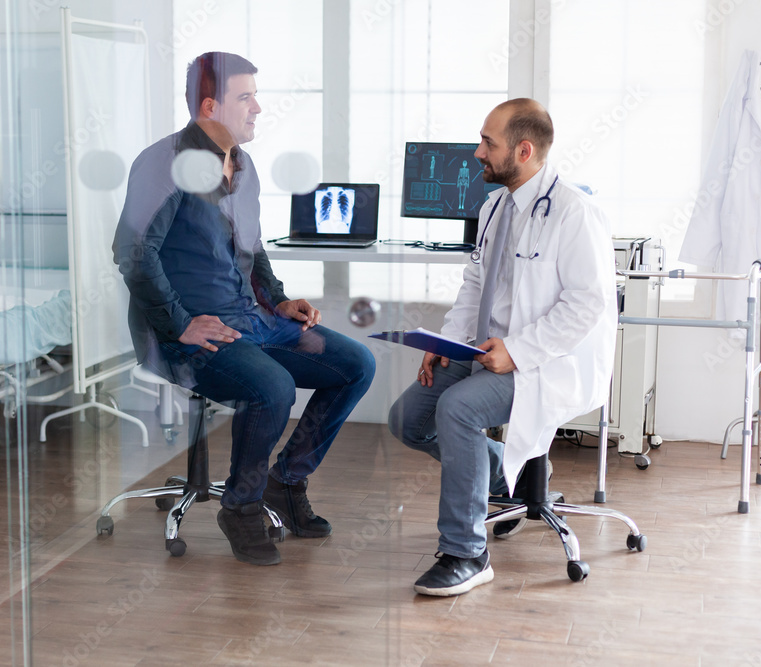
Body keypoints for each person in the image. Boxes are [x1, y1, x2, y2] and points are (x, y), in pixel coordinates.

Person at [113, 52, 375, 567]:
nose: (258, 106)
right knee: (272, 388)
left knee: (355, 365)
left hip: (251, 320)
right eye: (246, 97)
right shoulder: (163, 164)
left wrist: (278, 299)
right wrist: (180, 323)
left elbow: (251, 249)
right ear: (211, 106)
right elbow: (132, 253)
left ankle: (286, 483)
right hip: (190, 333)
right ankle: (241, 506)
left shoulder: (244, 165)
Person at [388, 98, 616, 596]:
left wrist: (518, 351)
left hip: (545, 361)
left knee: (458, 410)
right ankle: (504, 474)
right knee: (407, 420)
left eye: (488, 143)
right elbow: (476, 284)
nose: (476, 153)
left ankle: (467, 553)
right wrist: (445, 342)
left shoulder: (576, 213)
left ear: (525, 150)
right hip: (482, 349)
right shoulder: (495, 206)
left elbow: (587, 305)